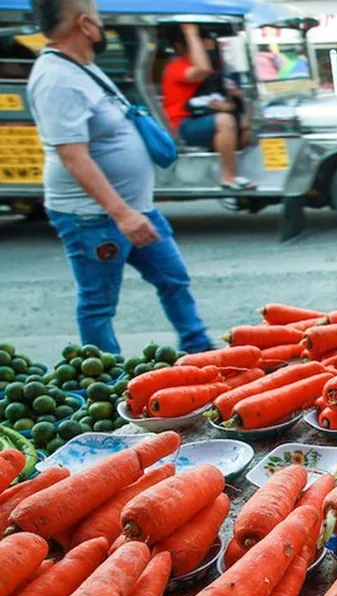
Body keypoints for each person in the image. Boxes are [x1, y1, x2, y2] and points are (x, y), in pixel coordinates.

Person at [26, 0, 213, 355]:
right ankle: (105, 382)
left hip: (135, 208)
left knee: (173, 278)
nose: (103, 29)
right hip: (93, 217)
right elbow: (73, 156)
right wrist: (122, 214)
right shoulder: (56, 79)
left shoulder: (82, 68)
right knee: (98, 304)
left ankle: (200, 350)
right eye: (99, 21)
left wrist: (131, 210)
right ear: (84, 25)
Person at [162, 24, 255, 190]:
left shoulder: (217, 72)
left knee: (247, 126)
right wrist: (190, 32)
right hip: (182, 126)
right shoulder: (175, 67)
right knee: (224, 121)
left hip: (204, 120)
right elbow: (202, 69)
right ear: (180, 47)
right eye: (199, 45)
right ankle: (228, 176)